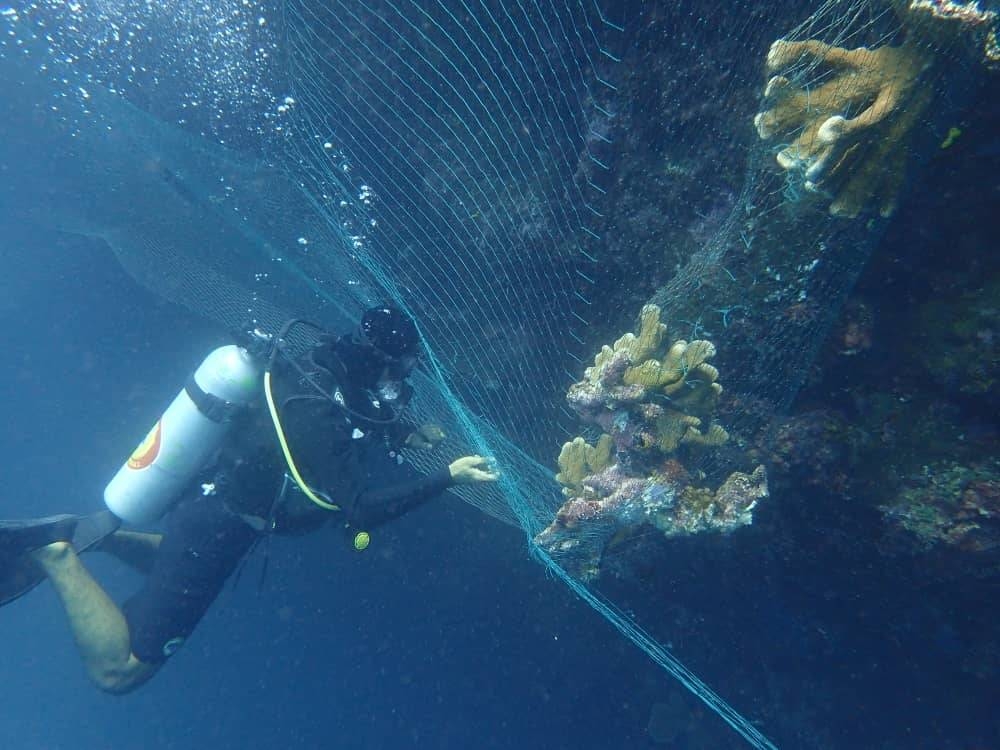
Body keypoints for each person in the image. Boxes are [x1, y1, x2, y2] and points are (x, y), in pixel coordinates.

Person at [1, 304, 498, 694]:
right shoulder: (316, 409)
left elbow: (357, 420)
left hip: (216, 513)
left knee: (176, 558)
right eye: (406, 365)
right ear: (381, 358)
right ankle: (58, 556)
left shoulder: (326, 367)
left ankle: (103, 538)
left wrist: (406, 435)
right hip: (217, 528)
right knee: (123, 673)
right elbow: (362, 507)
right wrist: (446, 479)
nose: (408, 377)